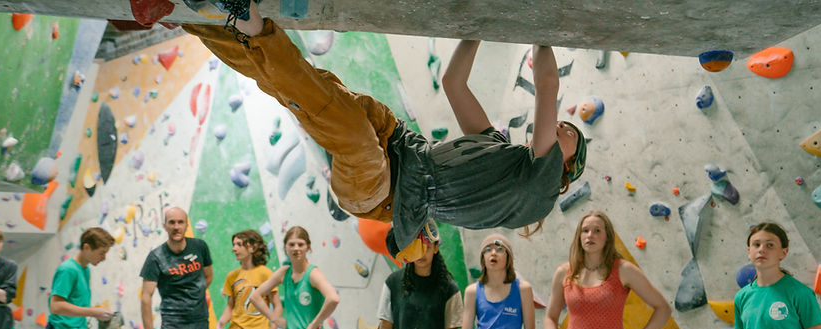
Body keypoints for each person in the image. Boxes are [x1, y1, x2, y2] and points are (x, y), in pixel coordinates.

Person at [182, 2, 587, 261]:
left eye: (571, 134)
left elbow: (547, 85)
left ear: (567, 166)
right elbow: (454, 84)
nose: (563, 127)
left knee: (345, 128)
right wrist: (479, 26)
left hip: (383, 192)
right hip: (396, 138)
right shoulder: (498, 147)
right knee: (307, 87)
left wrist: (540, 25)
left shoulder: (541, 190)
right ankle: (202, 19)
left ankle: (249, 23)